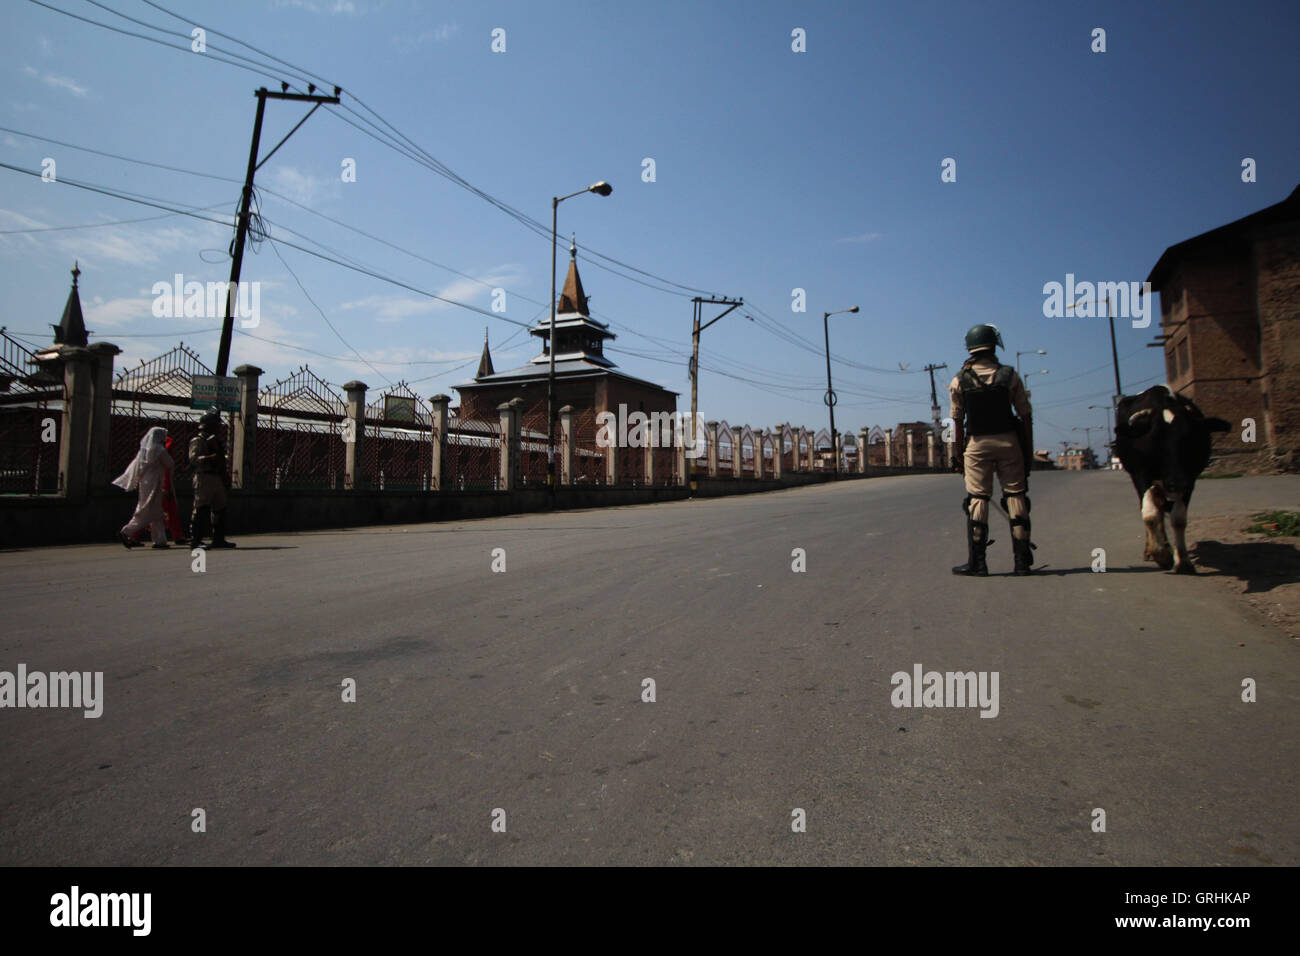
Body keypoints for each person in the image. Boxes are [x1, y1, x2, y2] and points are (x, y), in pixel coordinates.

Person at [949, 324, 1035, 576]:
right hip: (1009, 442)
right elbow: (1026, 417)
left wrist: (957, 456)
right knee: (1016, 496)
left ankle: (978, 563)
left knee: (977, 499)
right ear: (994, 345)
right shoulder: (1009, 376)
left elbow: (957, 422)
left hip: (977, 445)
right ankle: (1021, 561)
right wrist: (1026, 452)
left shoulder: (959, 379)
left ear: (970, 348)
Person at [113, 426, 174, 550]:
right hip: (155, 483)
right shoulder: (159, 450)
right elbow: (170, 463)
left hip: (145, 483)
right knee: (147, 511)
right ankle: (126, 532)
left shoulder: (143, 451)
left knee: (155, 512)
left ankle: (160, 540)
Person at [188, 409, 236, 549]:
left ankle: (219, 539)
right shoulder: (198, 440)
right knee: (201, 508)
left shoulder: (216, 441)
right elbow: (193, 459)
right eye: (215, 425)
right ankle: (196, 540)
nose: (218, 427)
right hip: (204, 476)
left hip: (217, 477)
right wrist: (209, 458)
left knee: (220, 509)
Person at [131, 433, 183, 544]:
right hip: (159, 488)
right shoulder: (161, 454)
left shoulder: (145, 453)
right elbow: (166, 471)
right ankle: (129, 533)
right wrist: (165, 489)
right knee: (152, 512)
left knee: (150, 512)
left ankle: (161, 540)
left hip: (149, 487)